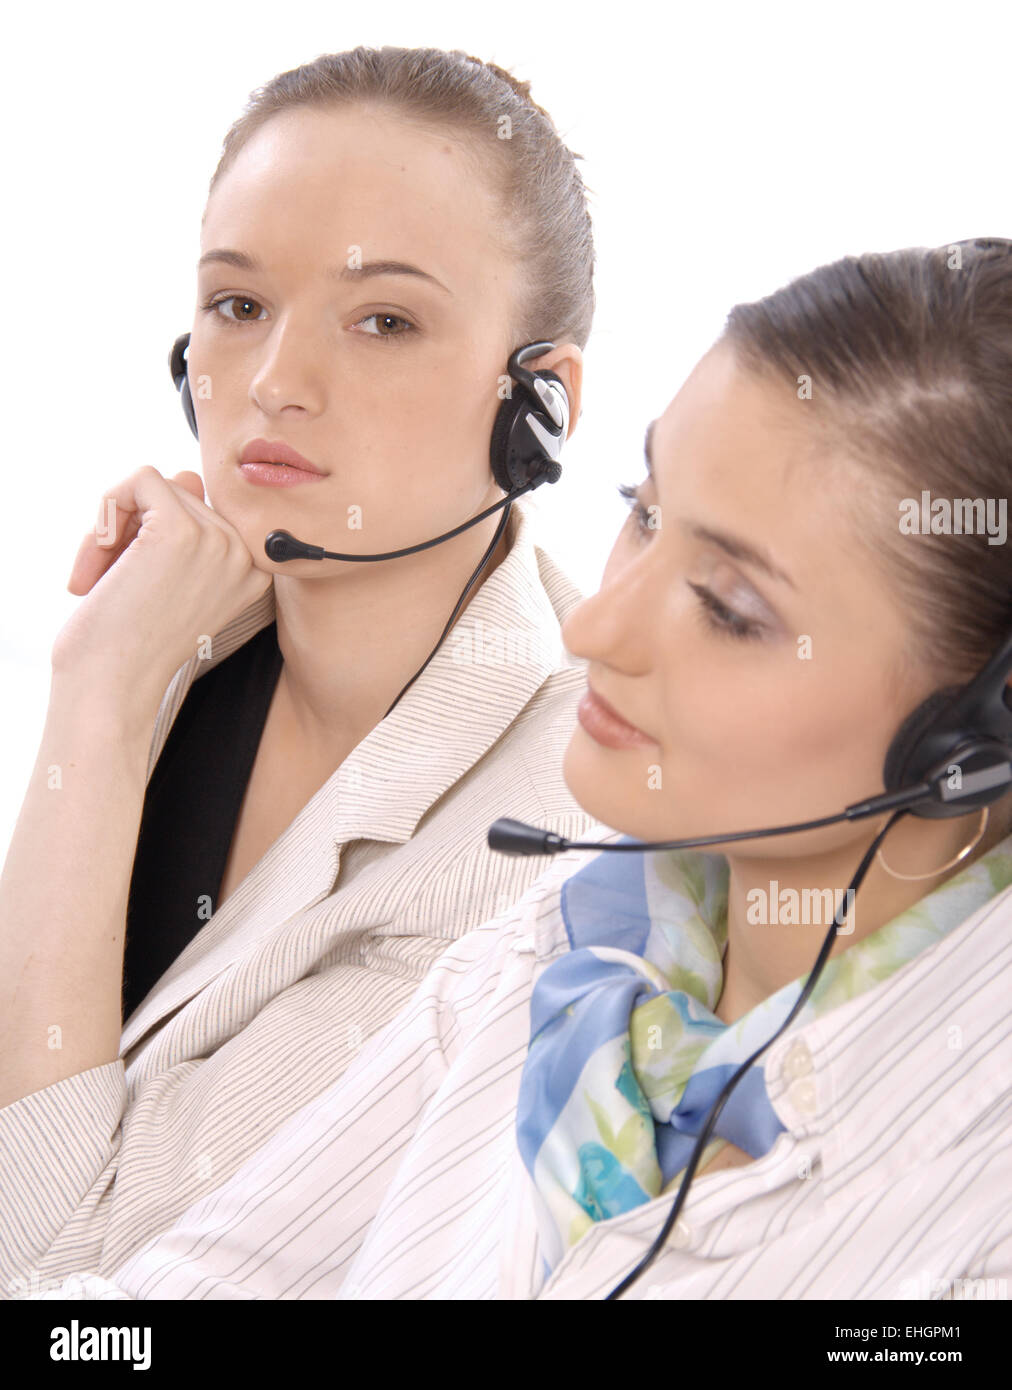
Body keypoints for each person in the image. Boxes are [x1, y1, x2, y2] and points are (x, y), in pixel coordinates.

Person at [18, 238, 1012, 1303]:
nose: (594, 622)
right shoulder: (563, 943)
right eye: (643, 512)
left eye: (730, 610)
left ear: (975, 733)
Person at [0, 45, 607, 1298]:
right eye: (236, 305)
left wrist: (94, 706)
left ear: (535, 404)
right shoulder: (184, 635)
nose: (274, 382)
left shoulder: (549, 838)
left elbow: (62, 1278)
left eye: (383, 319)